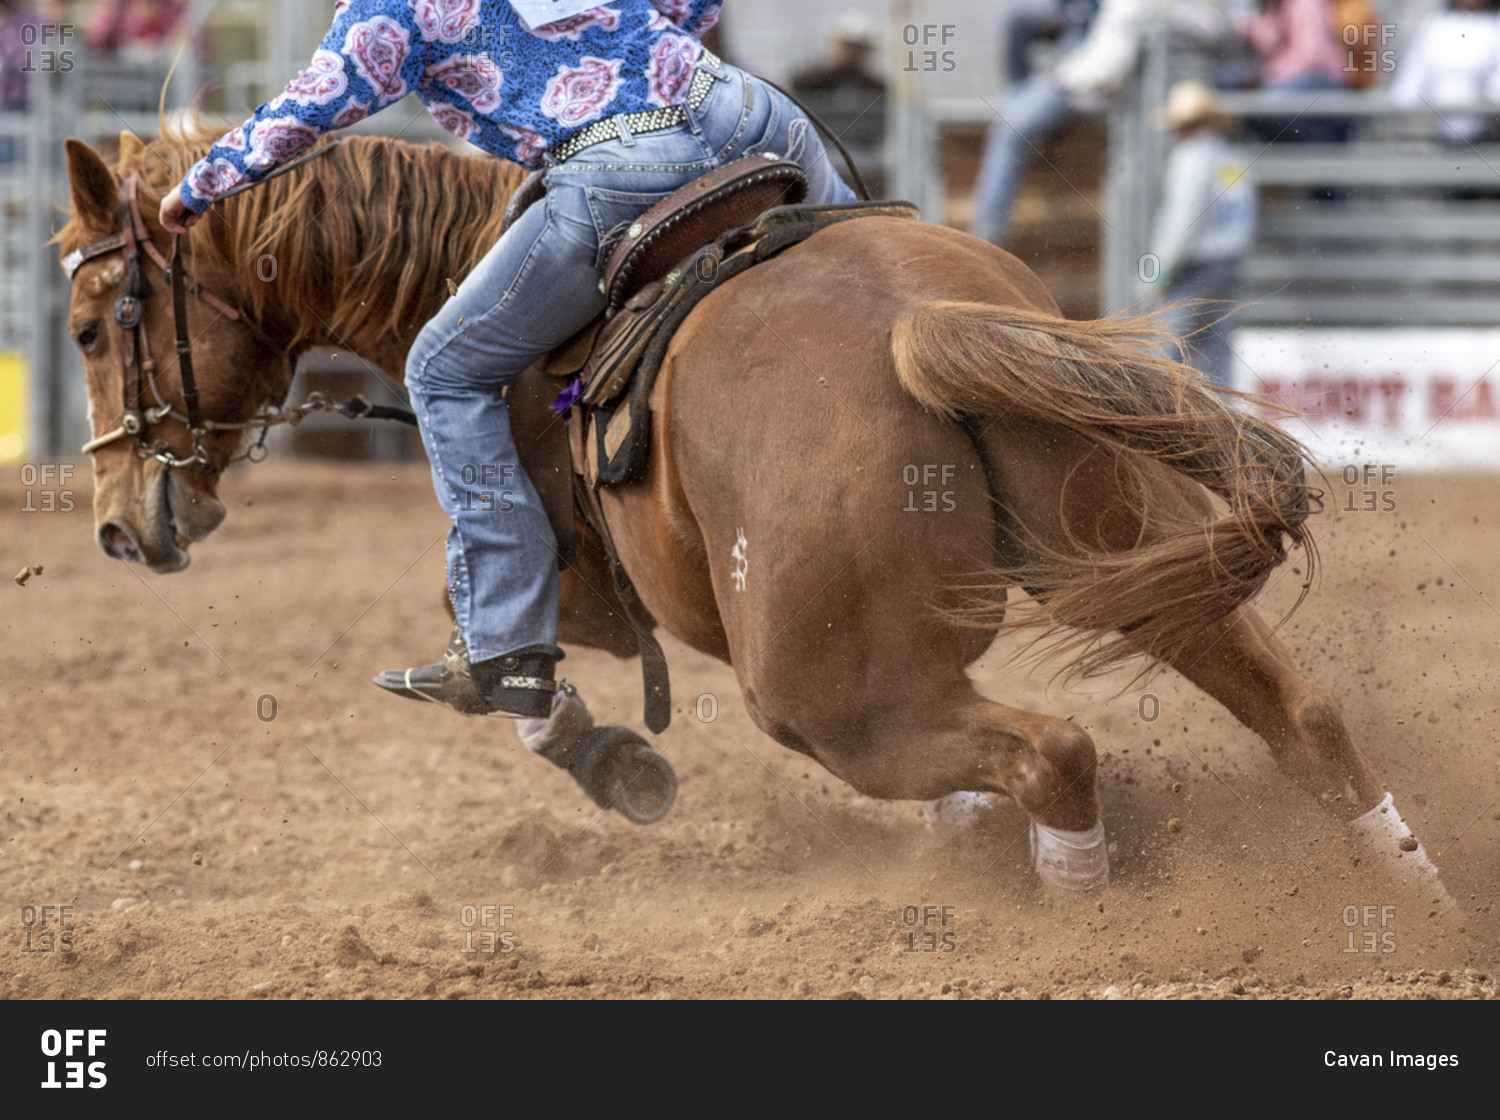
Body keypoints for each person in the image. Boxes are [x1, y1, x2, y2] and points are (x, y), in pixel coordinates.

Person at [161, 1, 857, 720]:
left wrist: (201, 186)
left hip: (625, 170)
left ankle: (507, 641)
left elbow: (313, 107)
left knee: (443, 370)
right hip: (756, 117)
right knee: (869, 279)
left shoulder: (390, 9)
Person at [1145, 80, 1255, 388]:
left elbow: (1183, 221)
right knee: (1217, 356)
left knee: (1165, 355)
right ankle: (1224, 427)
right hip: (1228, 265)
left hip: (1195, 267)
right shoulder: (1235, 159)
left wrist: (1158, 272)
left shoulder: (1191, 157)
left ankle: (1157, 426)